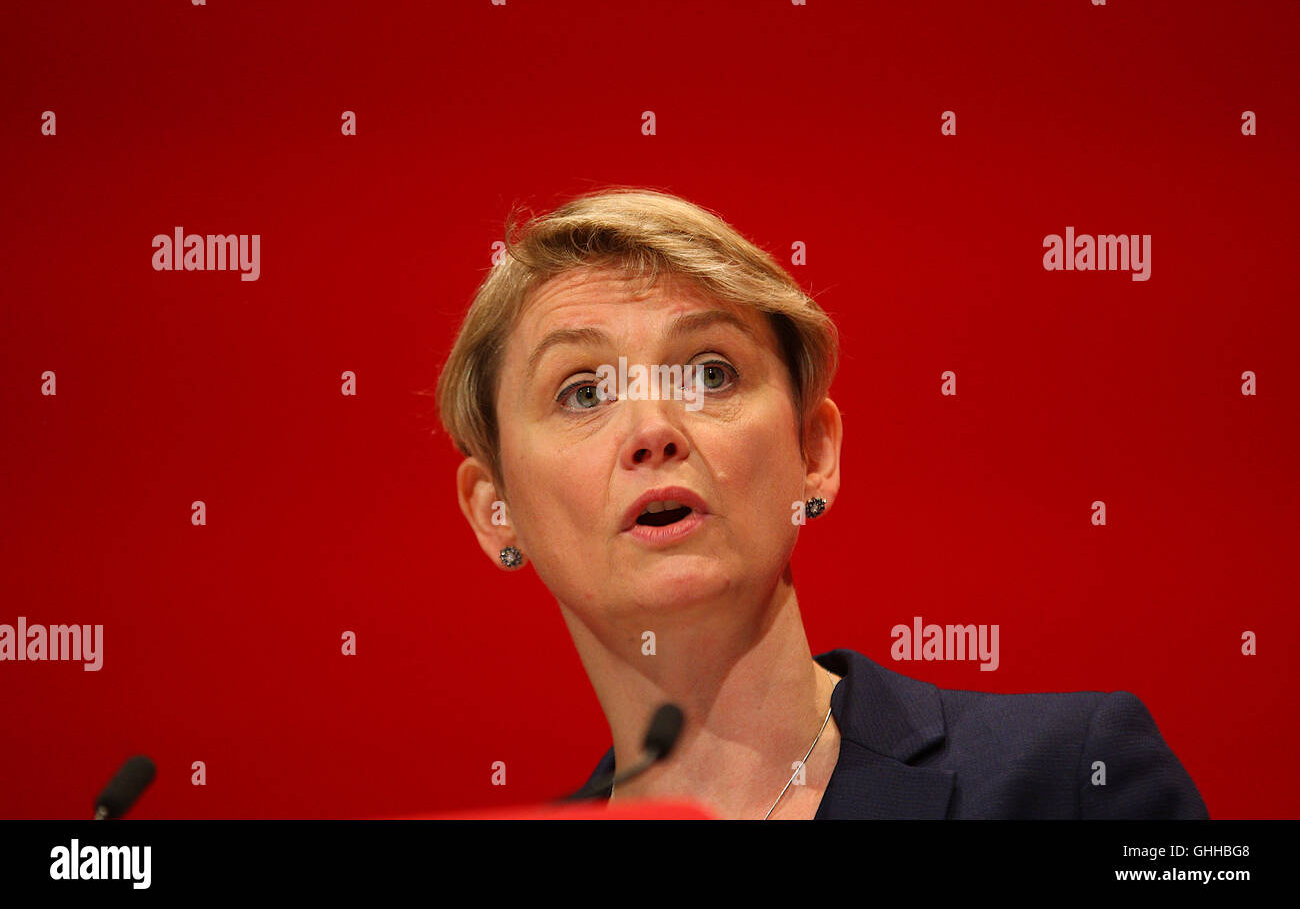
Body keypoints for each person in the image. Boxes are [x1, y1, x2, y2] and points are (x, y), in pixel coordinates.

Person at [435, 187, 1208, 819]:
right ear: (495, 509)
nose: (654, 430)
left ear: (813, 453)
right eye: (583, 392)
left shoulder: (1069, 777)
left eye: (709, 373)